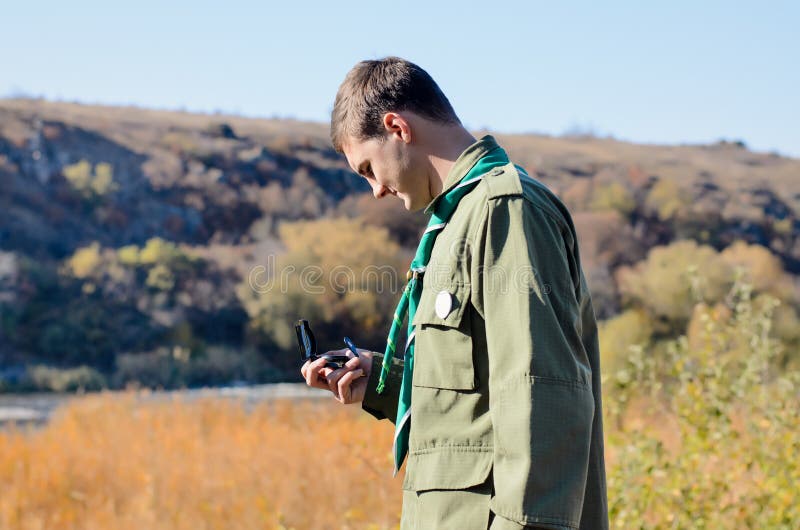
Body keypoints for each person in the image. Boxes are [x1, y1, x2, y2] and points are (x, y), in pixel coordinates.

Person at [301, 57, 608, 530]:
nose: (375, 190)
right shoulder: (457, 224)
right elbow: (475, 398)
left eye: (367, 168)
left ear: (397, 127)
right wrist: (383, 382)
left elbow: (542, 394)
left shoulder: (505, 211)